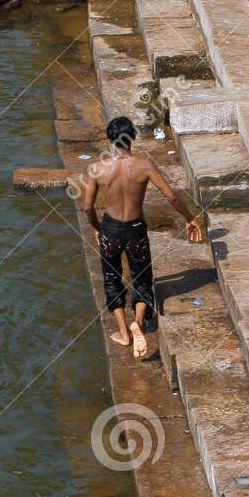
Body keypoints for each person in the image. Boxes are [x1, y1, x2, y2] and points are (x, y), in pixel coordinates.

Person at [80, 116, 203, 359]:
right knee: (142, 278)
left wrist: (98, 228)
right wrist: (189, 217)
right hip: (135, 228)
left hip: (110, 230)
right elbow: (171, 196)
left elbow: (88, 208)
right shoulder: (145, 165)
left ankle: (125, 333)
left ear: (110, 139)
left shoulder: (96, 169)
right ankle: (138, 321)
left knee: (112, 280)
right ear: (132, 138)